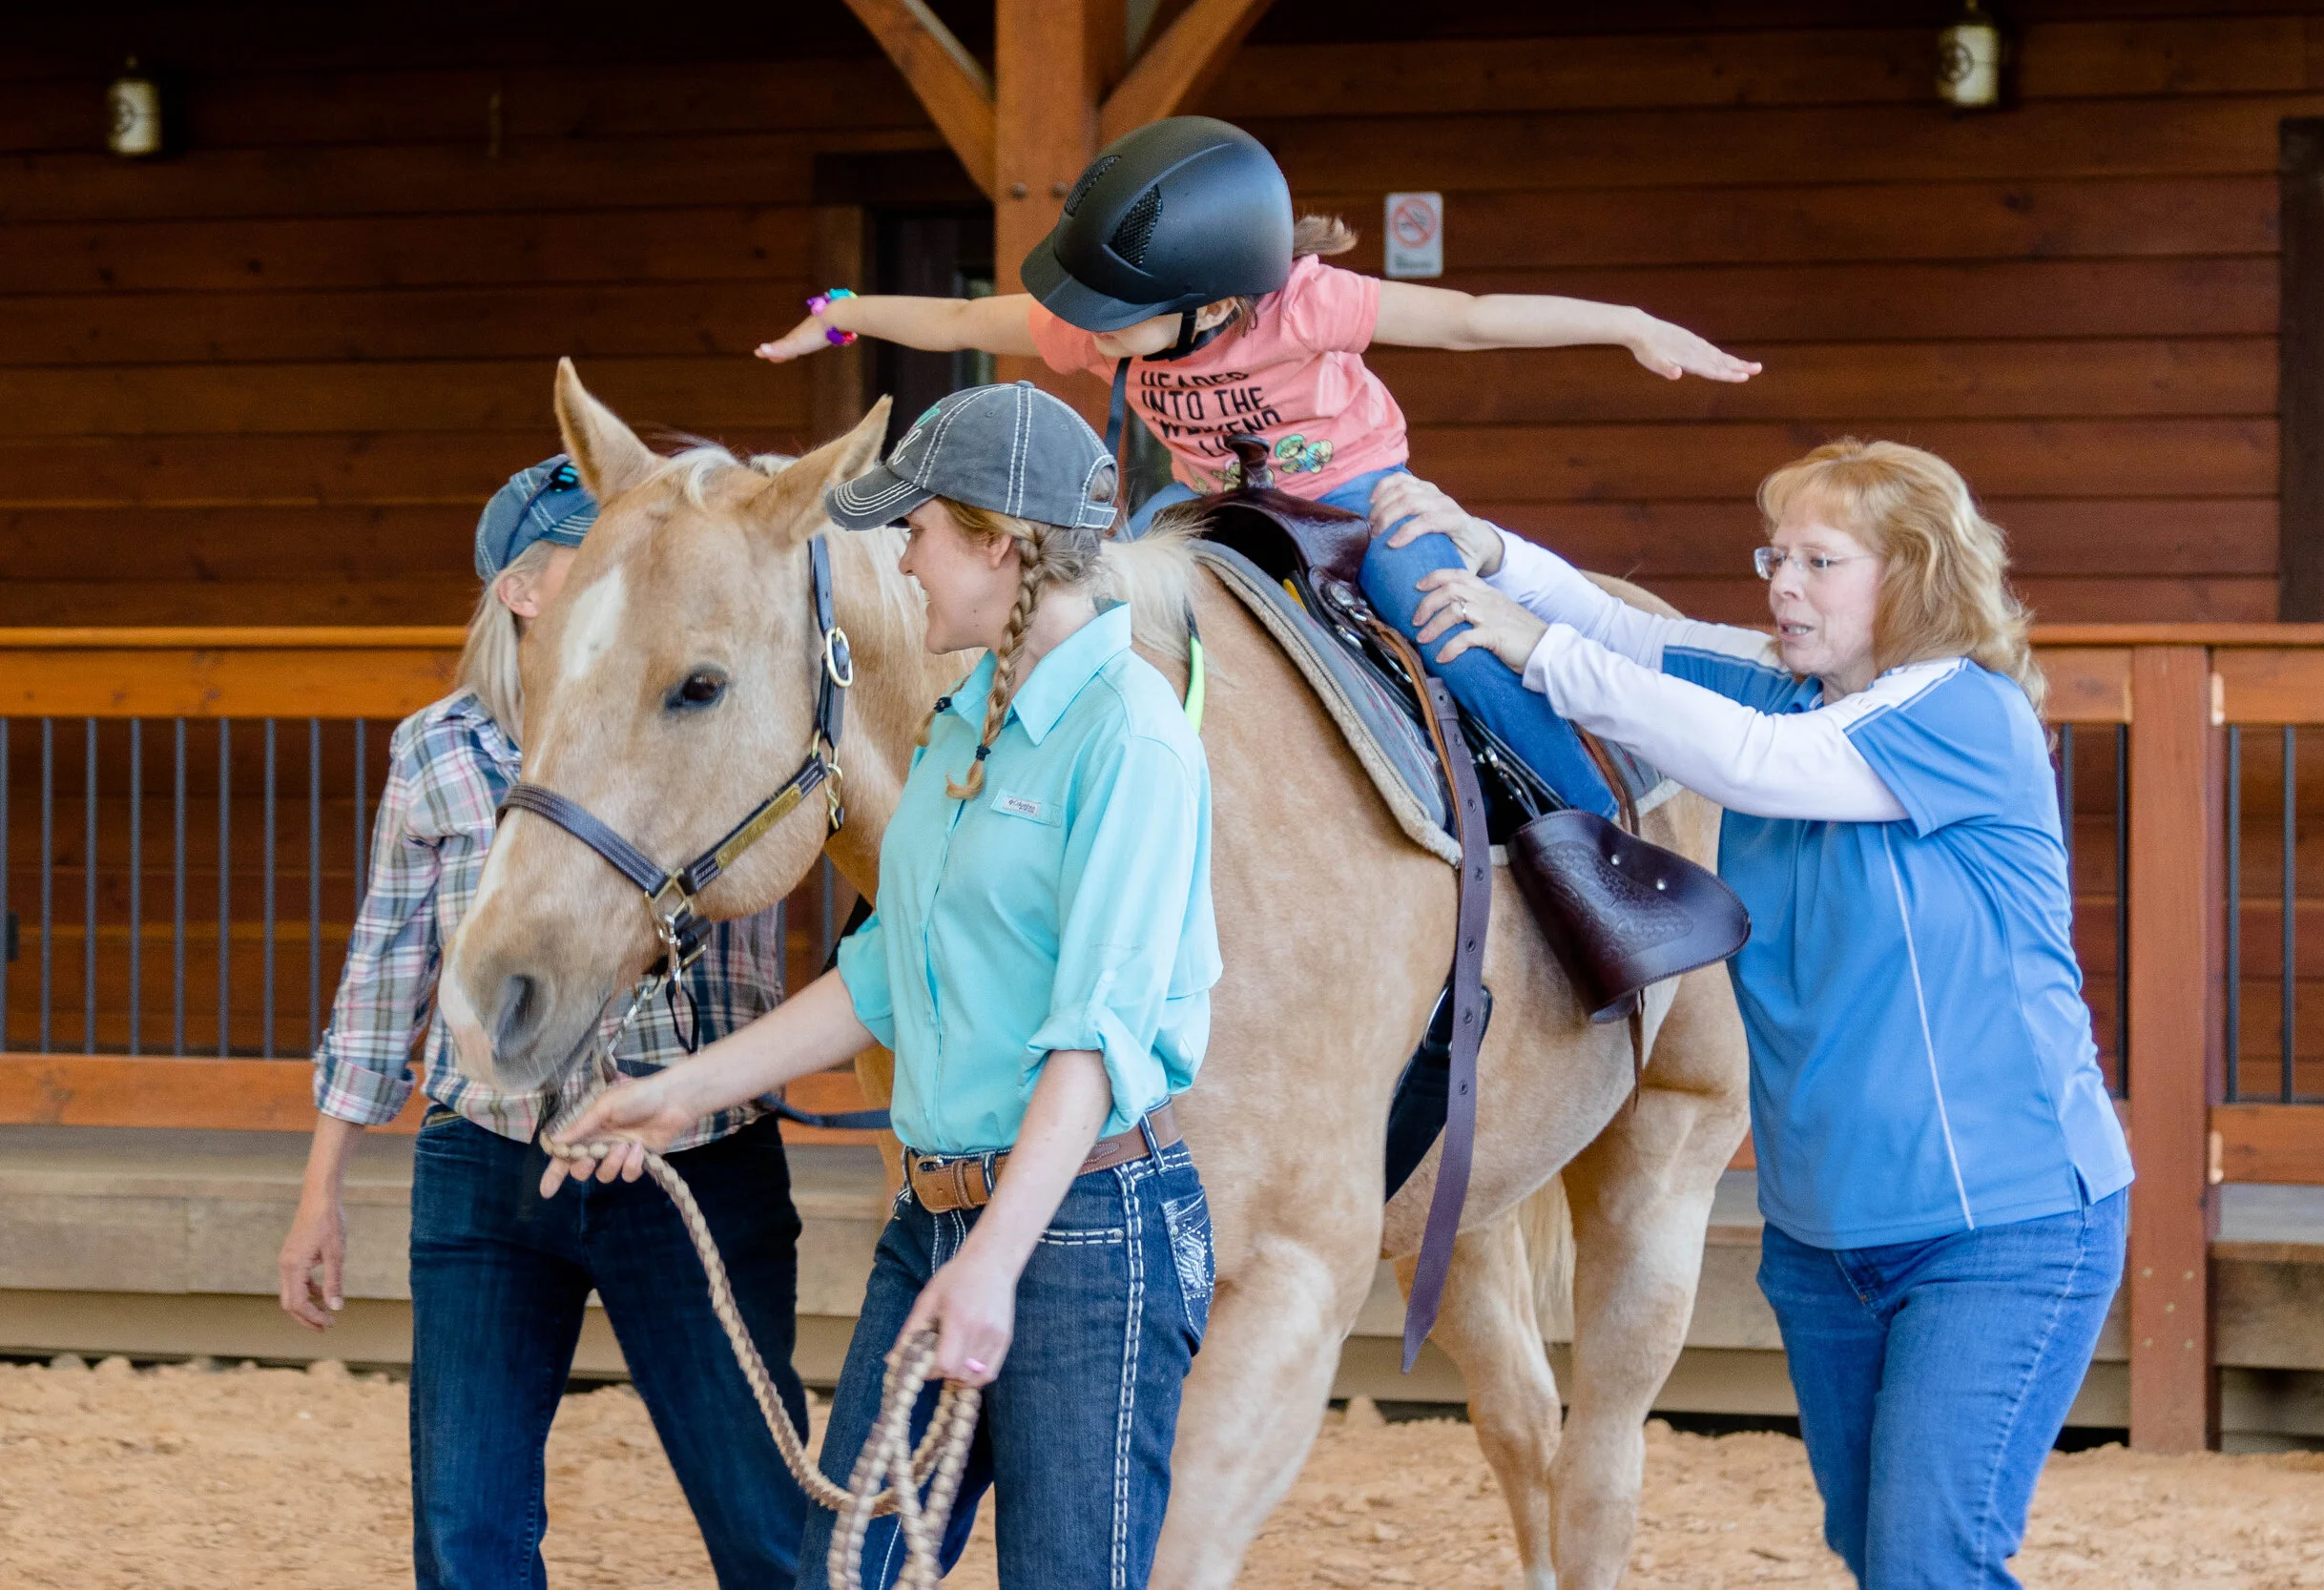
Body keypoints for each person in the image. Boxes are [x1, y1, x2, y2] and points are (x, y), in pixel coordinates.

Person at [1374, 442, 2133, 1589]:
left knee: (1929, 1561)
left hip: (2003, 1227)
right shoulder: (1789, 685)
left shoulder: (1958, 712)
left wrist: (1543, 653)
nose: (1781, 581)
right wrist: (1488, 550)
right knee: (1878, 1553)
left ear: (1916, 576)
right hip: (1828, 1240)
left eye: (1820, 560)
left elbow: (1752, 759)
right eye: (1774, 553)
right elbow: (1629, 631)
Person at [548, 382, 1220, 1590]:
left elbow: (1096, 1040)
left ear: (999, 546)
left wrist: (996, 1262)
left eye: (915, 530)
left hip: (1082, 1231)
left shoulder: (1134, 738)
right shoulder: (965, 721)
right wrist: (677, 1092)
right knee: (835, 1575)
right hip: (936, 1216)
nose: (898, 558)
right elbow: (884, 975)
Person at [756, 114, 1758, 820]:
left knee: (1436, 615)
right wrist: (840, 316)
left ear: (1211, 295)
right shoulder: (1111, 329)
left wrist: (1625, 324)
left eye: (1118, 312)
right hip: (1214, 507)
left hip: (1357, 500)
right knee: (1097, 599)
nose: (1093, 329)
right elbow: (966, 318)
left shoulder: (1302, 306)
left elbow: (1467, 320)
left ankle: (1588, 819)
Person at [277, 458, 809, 1590]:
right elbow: (386, 972)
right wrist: (321, 1188)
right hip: (487, 1170)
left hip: (694, 1170)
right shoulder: (438, 749)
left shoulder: (721, 713)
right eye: (595, 546)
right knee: (467, 1543)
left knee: (768, 1533)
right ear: (523, 589)